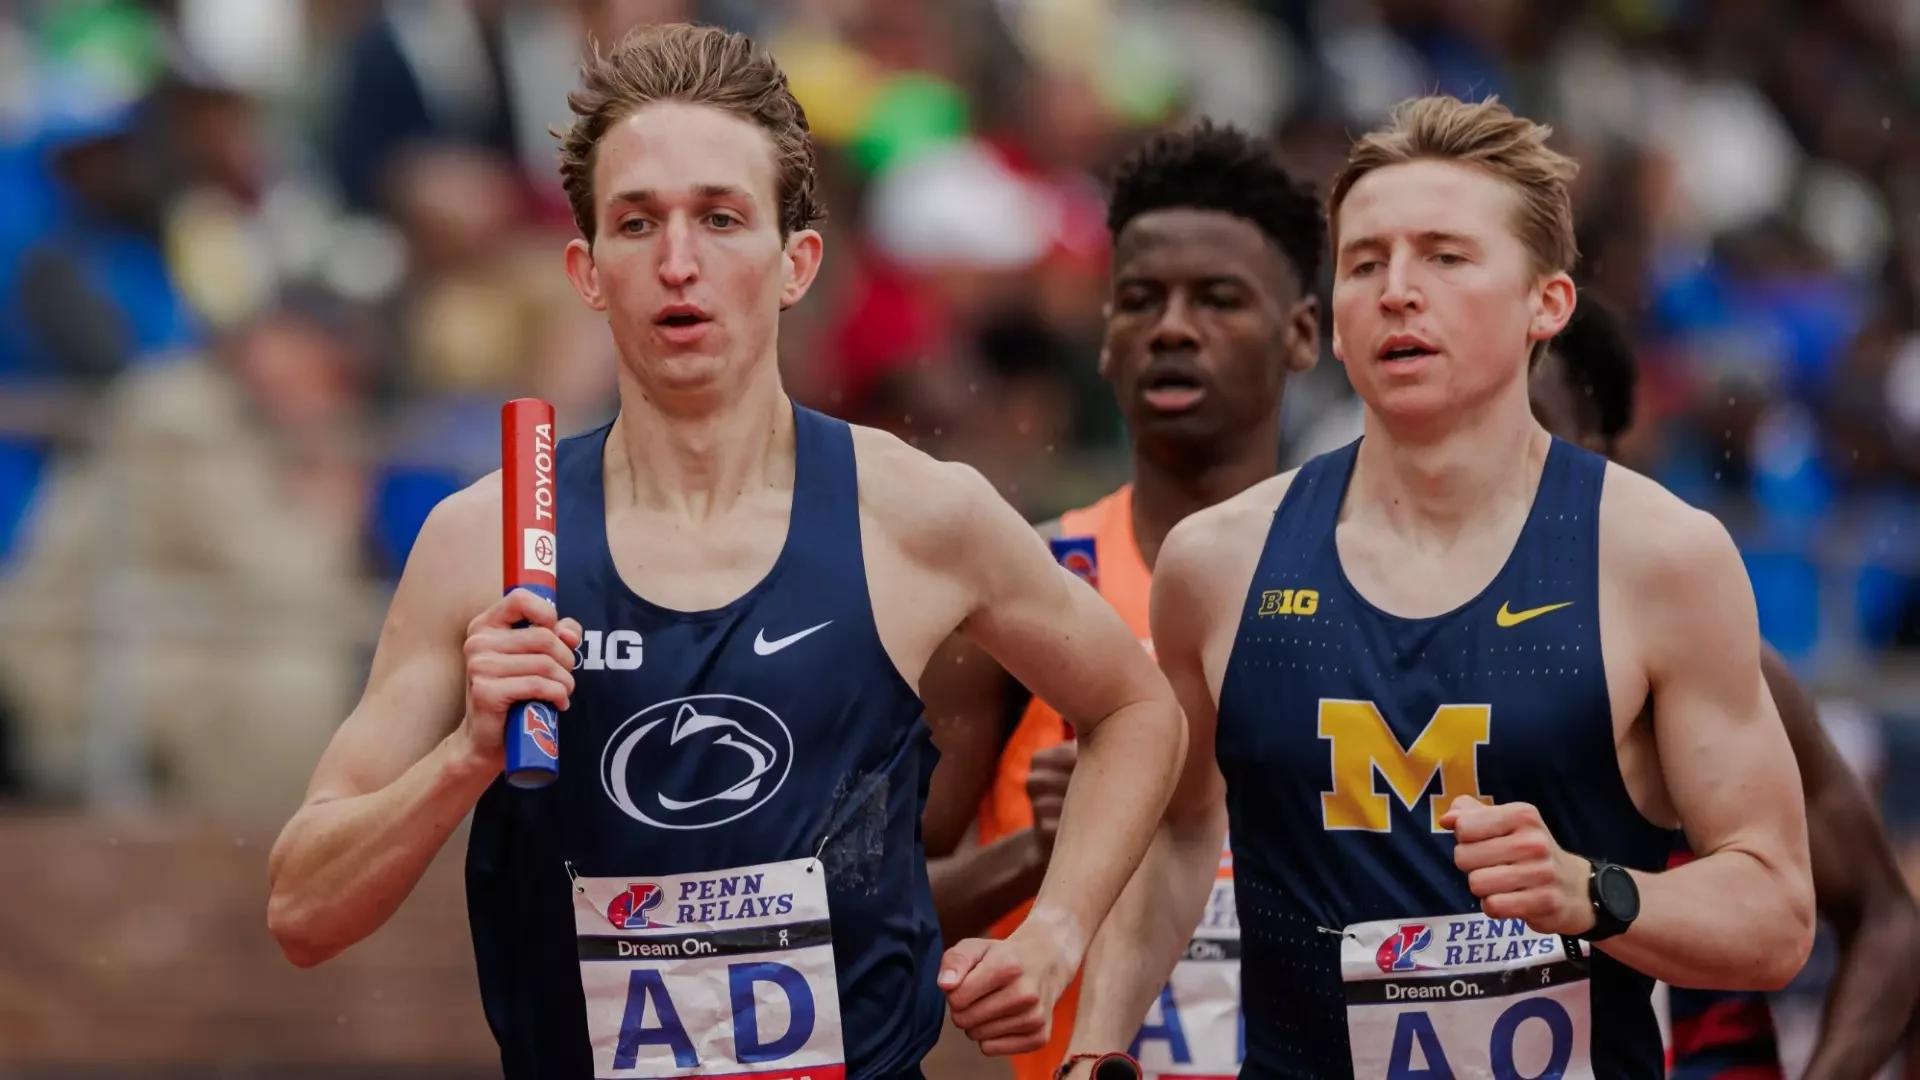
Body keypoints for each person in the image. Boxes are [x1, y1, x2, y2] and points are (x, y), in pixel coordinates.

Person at [265, 24, 1190, 1080]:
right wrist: (465, 754)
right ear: (588, 270)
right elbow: (302, 910)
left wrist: (1057, 929)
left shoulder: (917, 514)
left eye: (719, 218)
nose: (678, 263)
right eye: (637, 222)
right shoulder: (484, 541)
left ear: (796, 263)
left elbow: (1139, 709)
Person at [1063, 94, 1817, 1080]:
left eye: (1445, 257)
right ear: (1332, 320)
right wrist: (1094, 1047)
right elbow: (1179, 831)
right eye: (1367, 262)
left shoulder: (1660, 558)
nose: (1397, 291)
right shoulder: (1219, 563)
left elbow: (1776, 914)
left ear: (1547, 302)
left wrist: (1595, 893)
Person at [917, 121, 1322, 1079]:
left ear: (1303, 330)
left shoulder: (1375, 584)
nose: (1172, 327)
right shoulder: (1026, 595)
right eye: (1140, 300)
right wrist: (1039, 857)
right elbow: (877, 904)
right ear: (1105, 340)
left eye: (1219, 299)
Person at [1536, 296, 1920, 1080]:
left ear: (1599, 447)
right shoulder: (1363, 670)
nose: (1487, 455)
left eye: (1526, 425)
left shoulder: (1722, 665)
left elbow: (1887, 924)